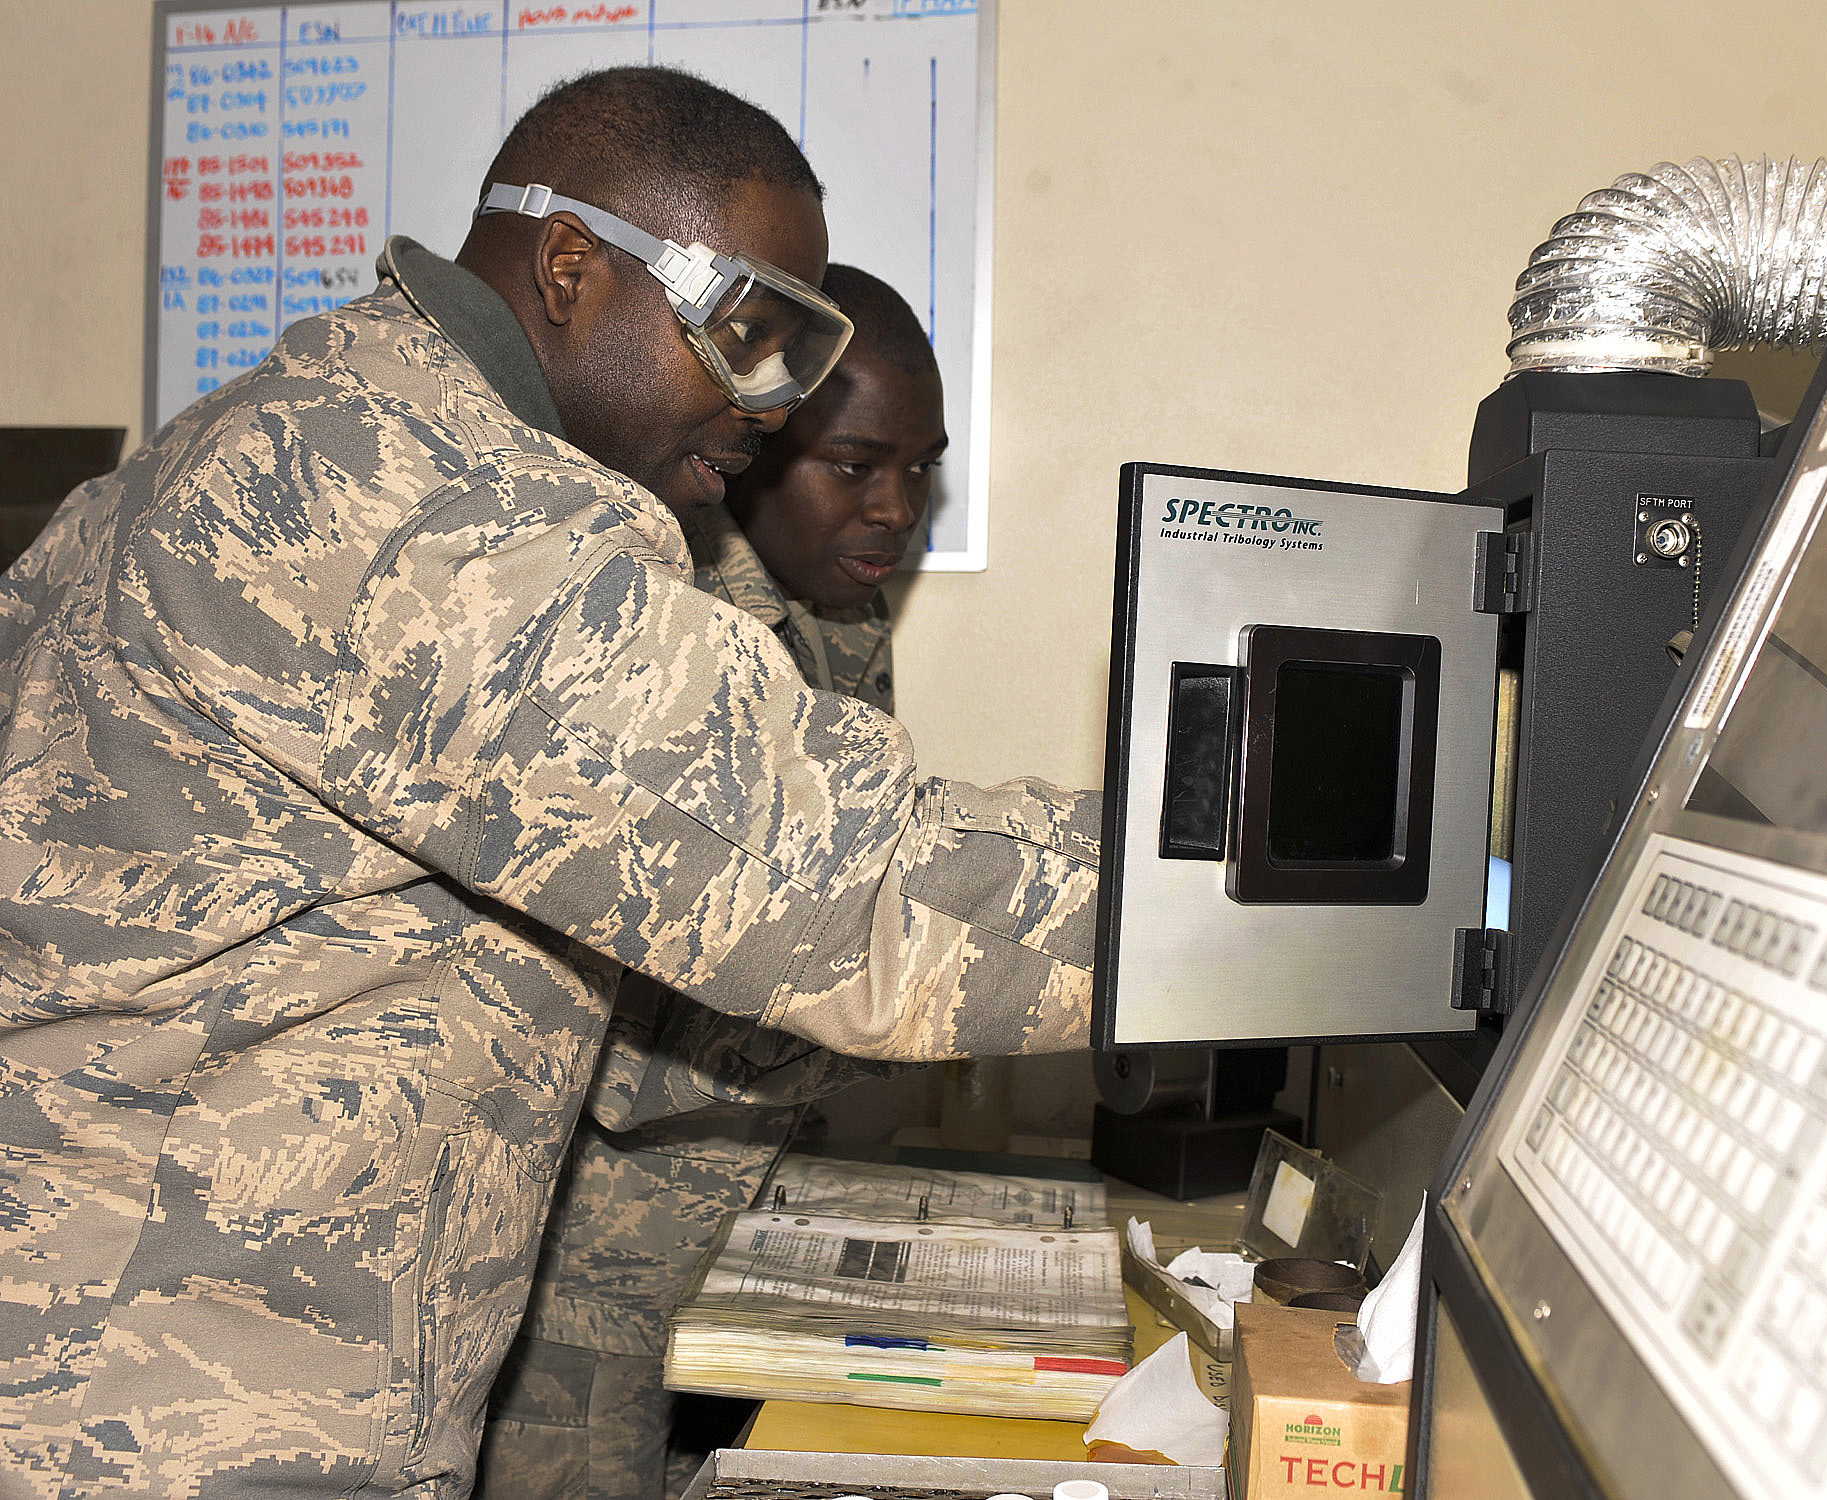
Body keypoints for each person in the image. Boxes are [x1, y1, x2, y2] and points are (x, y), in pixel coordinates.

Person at [0, 68, 1098, 1499]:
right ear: (572, 266)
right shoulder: (446, 516)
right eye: (745, 335)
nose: (768, 405)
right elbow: (853, 889)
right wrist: (1311, 886)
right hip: (173, 1408)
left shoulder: (279, 431)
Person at [473, 263, 948, 1500]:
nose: (896, 507)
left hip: (737, 1239)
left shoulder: (837, 629)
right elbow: (634, 1046)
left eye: (921, 468)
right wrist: (921, 1005)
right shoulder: (664, 621)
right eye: (857, 464)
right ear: (756, 449)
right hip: (583, 1282)